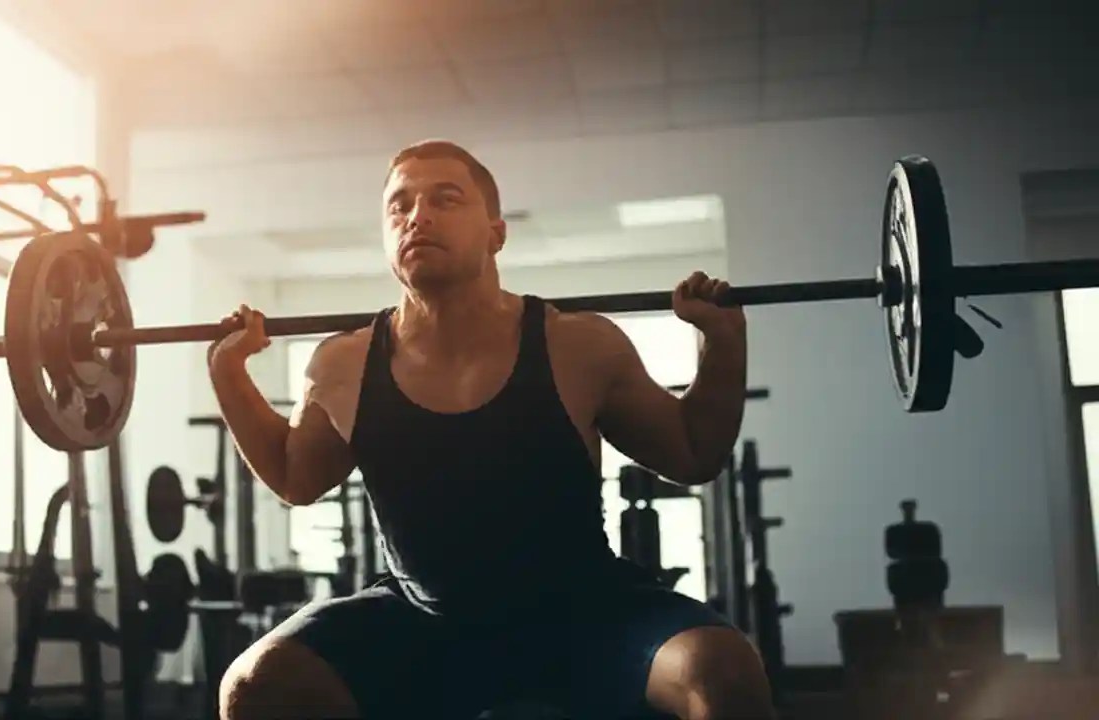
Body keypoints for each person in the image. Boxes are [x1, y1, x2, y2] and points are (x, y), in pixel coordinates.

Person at [208, 140, 774, 720]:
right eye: (398, 206)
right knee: (256, 686)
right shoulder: (342, 364)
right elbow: (294, 477)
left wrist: (724, 343)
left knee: (722, 671)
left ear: (496, 232)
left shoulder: (578, 343)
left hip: (588, 614)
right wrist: (227, 373)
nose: (417, 216)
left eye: (445, 199)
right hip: (420, 621)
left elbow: (692, 454)